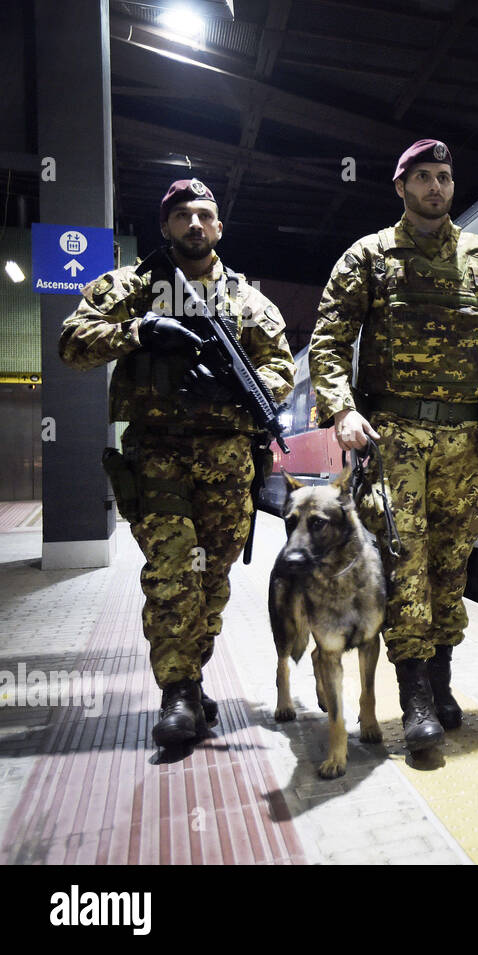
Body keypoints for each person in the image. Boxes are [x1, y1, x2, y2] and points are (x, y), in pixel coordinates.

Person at [309, 139, 478, 753]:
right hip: (396, 438)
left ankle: (441, 675)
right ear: (401, 186)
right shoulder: (370, 258)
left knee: (452, 564)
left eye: (445, 177)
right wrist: (344, 409)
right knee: (407, 561)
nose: (437, 187)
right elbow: (327, 342)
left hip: (468, 440)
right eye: (424, 177)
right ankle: (415, 697)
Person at [58, 178, 296, 748]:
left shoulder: (247, 300)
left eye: (205, 215)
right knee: (173, 571)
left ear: (219, 227)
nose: (195, 224)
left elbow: (280, 372)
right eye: (182, 215)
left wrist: (232, 392)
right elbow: (72, 342)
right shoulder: (132, 286)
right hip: (158, 453)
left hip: (229, 460)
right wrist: (140, 330)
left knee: (211, 579)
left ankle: (191, 675)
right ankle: (178, 695)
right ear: (165, 225)